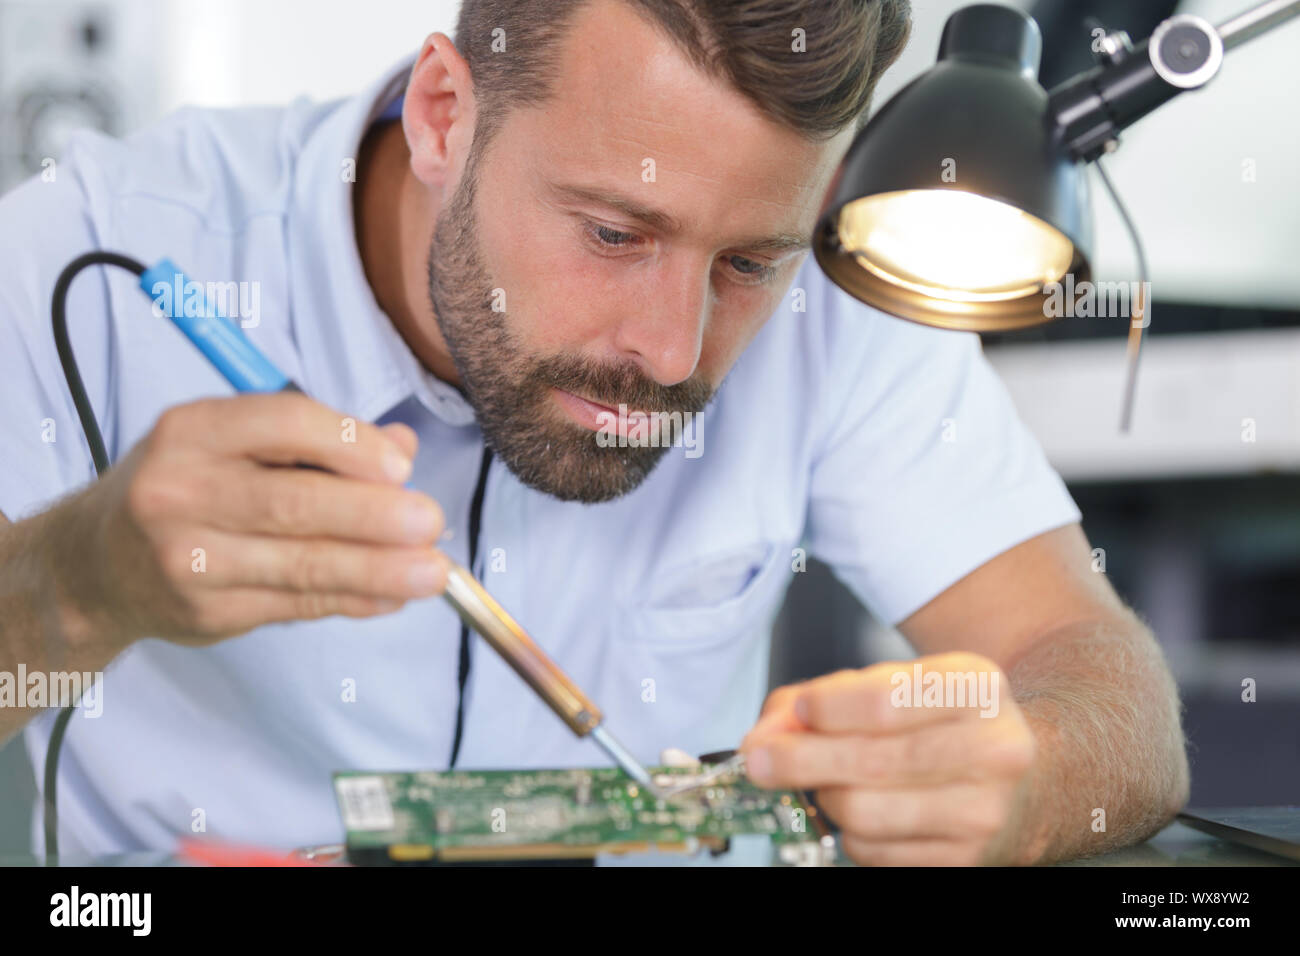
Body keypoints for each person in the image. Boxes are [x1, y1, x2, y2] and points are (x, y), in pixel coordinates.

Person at [0, 0, 1188, 864]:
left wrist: (1024, 779)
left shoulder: (851, 273)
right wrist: (79, 579)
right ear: (443, 114)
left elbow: (1105, 681)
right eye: (615, 234)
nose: (669, 350)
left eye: (746, 264)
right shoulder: (94, 246)